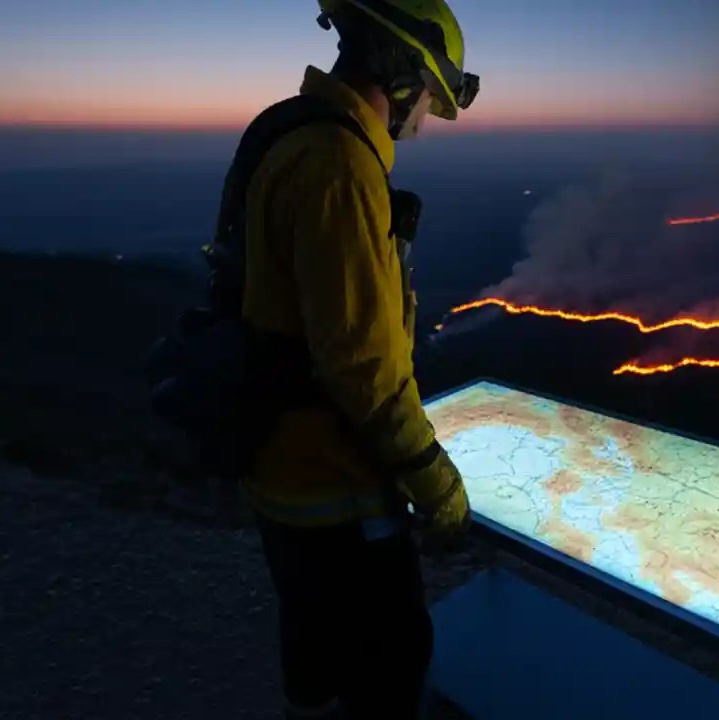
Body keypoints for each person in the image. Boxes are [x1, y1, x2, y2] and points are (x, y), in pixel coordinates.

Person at [230, 1, 479, 717]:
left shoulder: (293, 133)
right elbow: (361, 366)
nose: (426, 118)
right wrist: (433, 482)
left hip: (284, 476)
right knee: (388, 673)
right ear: (403, 75)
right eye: (428, 95)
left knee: (315, 670)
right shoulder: (340, 164)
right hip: (336, 494)